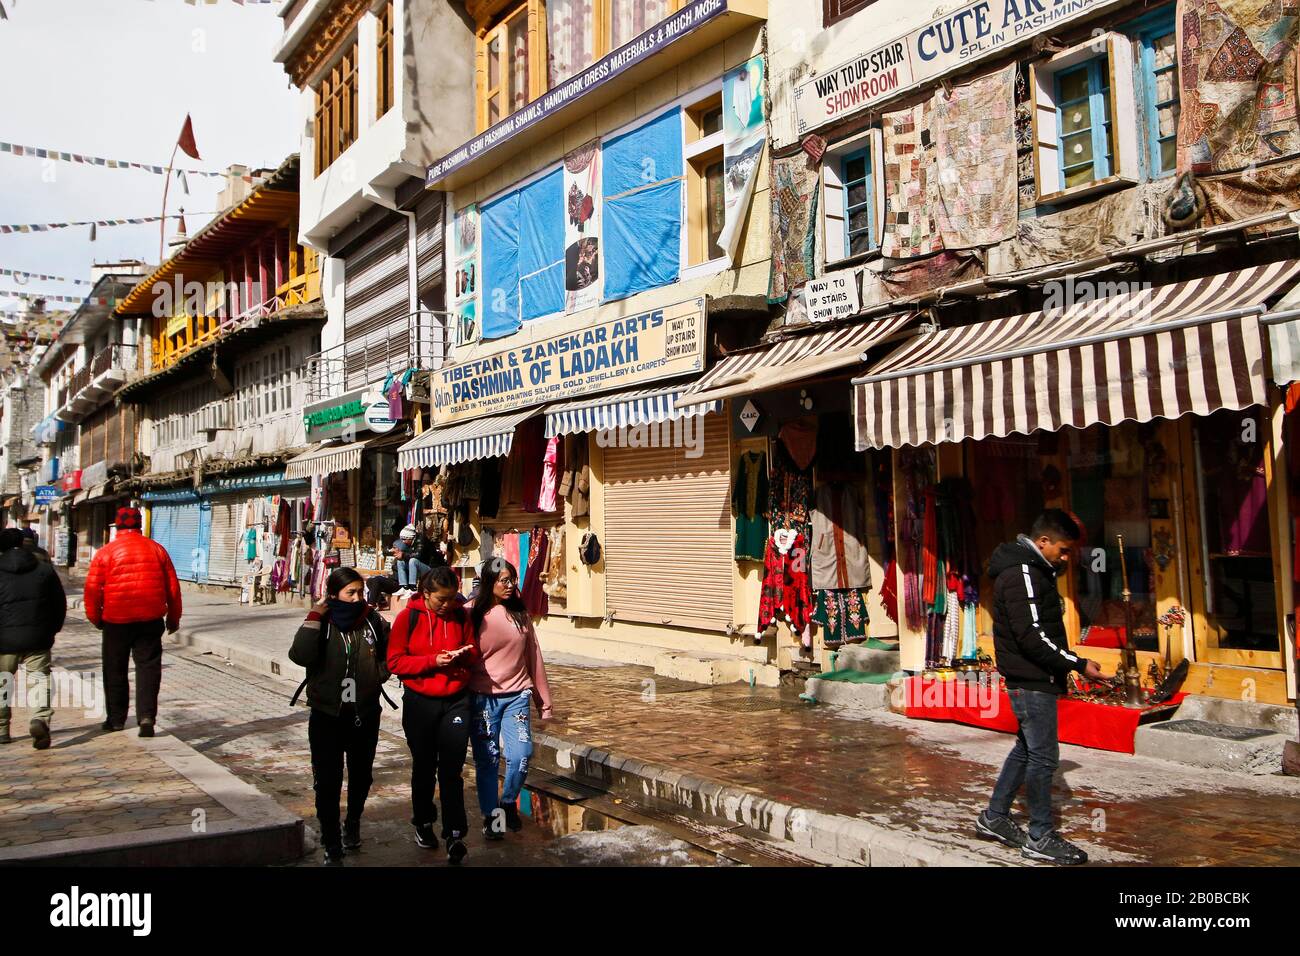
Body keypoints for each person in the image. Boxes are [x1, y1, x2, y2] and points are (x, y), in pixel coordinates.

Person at [976, 509, 1107, 865]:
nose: (1065, 559)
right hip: (1031, 678)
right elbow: (1032, 636)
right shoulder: (1022, 573)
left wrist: (1068, 663)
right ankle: (1040, 834)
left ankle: (995, 817)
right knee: (1044, 758)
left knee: (1026, 749)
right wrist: (1076, 664)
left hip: (1033, 676)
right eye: (1063, 551)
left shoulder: (1033, 570)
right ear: (1043, 542)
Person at [289, 567, 391, 865]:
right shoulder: (323, 621)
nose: (358, 598)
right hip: (326, 716)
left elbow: (388, 654)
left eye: (361, 592)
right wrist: (314, 617)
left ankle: (353, 821)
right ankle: (331, 840)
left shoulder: (372, 621)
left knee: (361, 777)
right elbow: (301, 656)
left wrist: (378, 674)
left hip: (365, 713)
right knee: (327, 781)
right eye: (351, 593)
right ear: (333, 595)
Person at [387, 564, 478, 864]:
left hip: (456, 700)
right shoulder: (407, 618)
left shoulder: (460, 615)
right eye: (442, 599)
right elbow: (395, 662)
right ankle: (423, 822)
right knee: (424, 766)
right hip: (420, 702)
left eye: (453, 598)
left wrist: (464, 655)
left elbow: (474, 649)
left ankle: (454, 833)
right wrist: (431, 662)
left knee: (451, 768)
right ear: (426, 594)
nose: (448, 605)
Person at [469, 557, 553, 841]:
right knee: (488, 760)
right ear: (489, 582)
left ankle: (508, 802)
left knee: (521, 756)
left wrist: (544, 703)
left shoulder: (520, 614)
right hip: (483, 699)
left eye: (512, 580)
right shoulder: (470, 613)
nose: (509, 586)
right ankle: (491, 817)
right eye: (504, 580)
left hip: (517, 696)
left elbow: (534, 657)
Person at [84, 506, 183, 738]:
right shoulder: (157, 550)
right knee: (148, 668)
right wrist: (173, 618)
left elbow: (92, 591)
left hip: (115, 621)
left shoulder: (105, 553)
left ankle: (116, 719)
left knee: (115, 670)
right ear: (140, 525)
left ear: (117, 526)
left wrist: (96, 619)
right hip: (150, 620)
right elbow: (173, 588)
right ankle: (146, 717)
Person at [0, 527, 65, 748]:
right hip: (37, 637)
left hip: (3, 640)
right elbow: (59, 605)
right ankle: (39, 718)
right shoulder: (44, 570)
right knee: (39, 679)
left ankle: (1, 730)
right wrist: (51, 631)